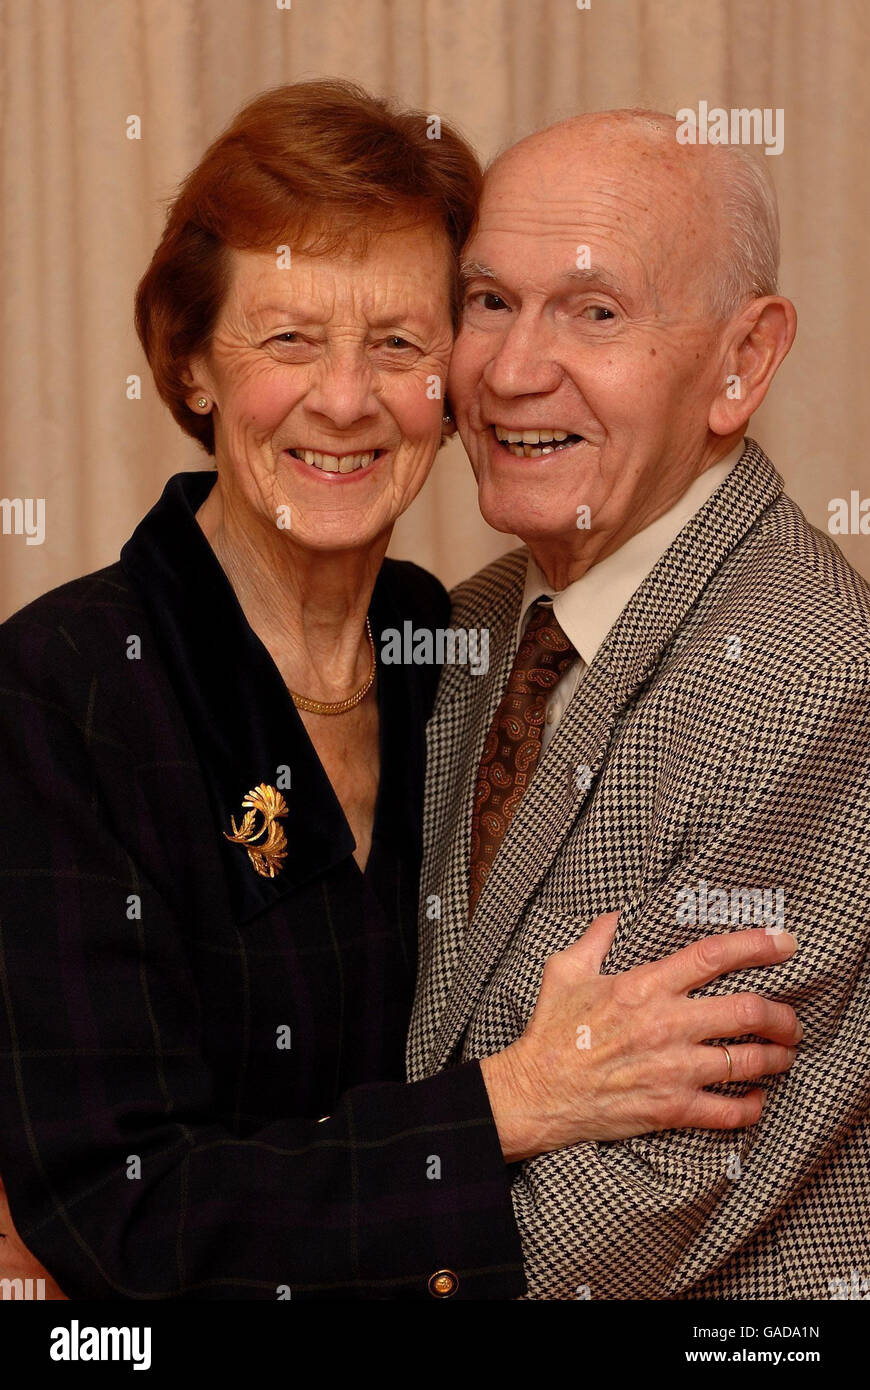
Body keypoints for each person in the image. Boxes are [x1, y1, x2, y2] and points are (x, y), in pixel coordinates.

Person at [0, 85, 799, 1302]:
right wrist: (509, 1106)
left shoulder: (465, 643)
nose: (345, 399)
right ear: (189, 362)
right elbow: (120, 1213)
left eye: (401, 341)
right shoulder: (64, 694)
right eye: (287, 339)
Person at [409, 108, 870, 1299]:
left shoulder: (811, 678)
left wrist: (191, 1263)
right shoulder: (467, 625)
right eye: (490, 301)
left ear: (744, 361)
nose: (510, 372)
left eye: (594, 312)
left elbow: (621, 1212)